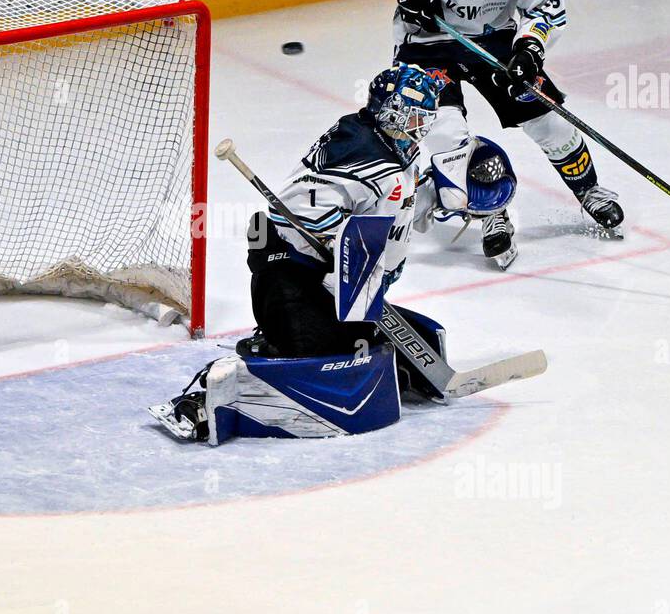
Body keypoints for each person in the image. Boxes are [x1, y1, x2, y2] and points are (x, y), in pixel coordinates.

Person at [149, 64, 453, 445]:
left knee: (358, 341)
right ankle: (205, 395)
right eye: (412, 116)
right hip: (291, 272)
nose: (419, 126)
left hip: (332, 280)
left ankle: (362, 345)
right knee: (325, 354)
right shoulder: (358, 151)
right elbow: (287, 212)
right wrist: (336, 239)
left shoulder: (396, 148)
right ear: (388, 110)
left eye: (424, 117)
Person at [368, 0, 624, 264]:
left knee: (548, 118)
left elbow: (547, 10)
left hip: (494, 41)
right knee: (449, 136)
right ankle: (491, 209)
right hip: (427, 41)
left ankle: (589, 190)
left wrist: (529, 49)